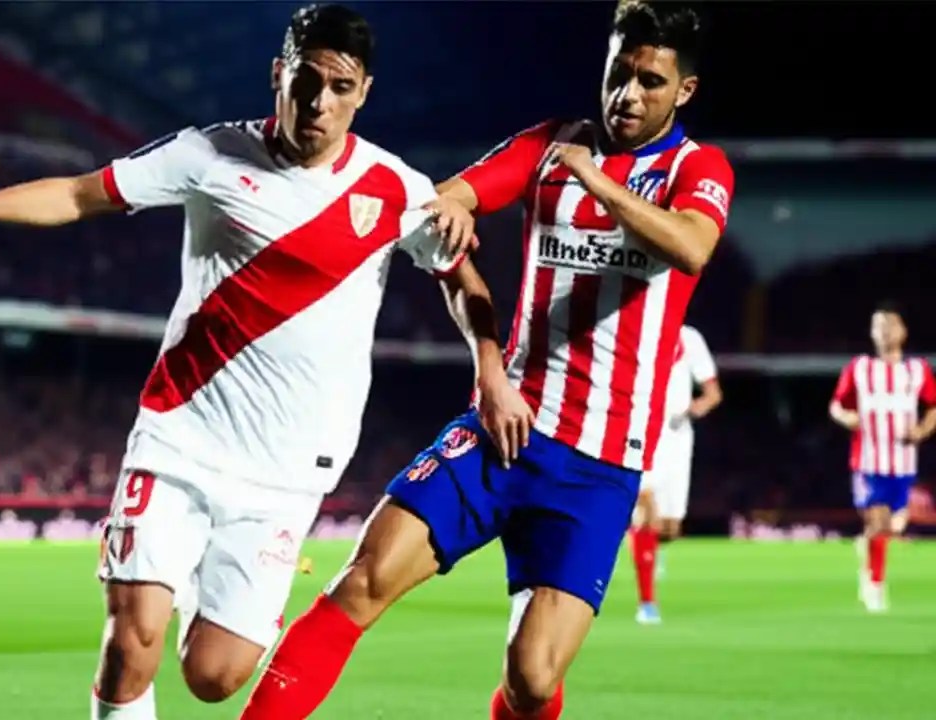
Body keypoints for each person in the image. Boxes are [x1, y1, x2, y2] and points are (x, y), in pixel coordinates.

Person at [0, 5, 503, 718]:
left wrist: (487, 360)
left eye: (341, 86)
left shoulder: (397, 189)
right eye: (307, 80)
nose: (320, 102)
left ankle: (182, 586)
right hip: (181, 435)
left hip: (286, 471)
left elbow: (462, 276)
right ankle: (148, 592)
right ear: (280, 74)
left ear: (362, 93)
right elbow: (80, 193)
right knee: (131, 643)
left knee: (214, 675)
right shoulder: (208, 155)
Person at [239, 3, 733, 719]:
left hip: (598, 466)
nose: (627, 94)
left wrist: (595, 179)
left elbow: (690, 246)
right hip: (505, 427)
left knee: (532, 679)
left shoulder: (696, 169)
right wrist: (458, 210)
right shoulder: (548, 145)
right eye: (619, 72)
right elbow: (447, 201)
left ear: (682, 91)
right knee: (363, 580)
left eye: (650, 82)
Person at [829, 300, 936, 613]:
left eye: (890, 324)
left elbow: (933, 407)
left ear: (902, 331)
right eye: (878, 326)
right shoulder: (859, 369)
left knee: (891, 526)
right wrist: (847, 418)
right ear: (872, 334)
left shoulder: (916, 371)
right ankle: (874, 585)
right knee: (877, 521)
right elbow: (836, 405)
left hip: (902, 461)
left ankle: (868, 553)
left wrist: (921, 431)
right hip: (868, 461)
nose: (884, 331)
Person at [628, 322, 721, 623]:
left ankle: (651, 550)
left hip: (677, 435)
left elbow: (713, 392)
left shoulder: (690, 338)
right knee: (646, 508)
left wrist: (699, 406)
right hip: (640, 431)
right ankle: (647, 603)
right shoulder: (632, 331)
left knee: (669, 529)